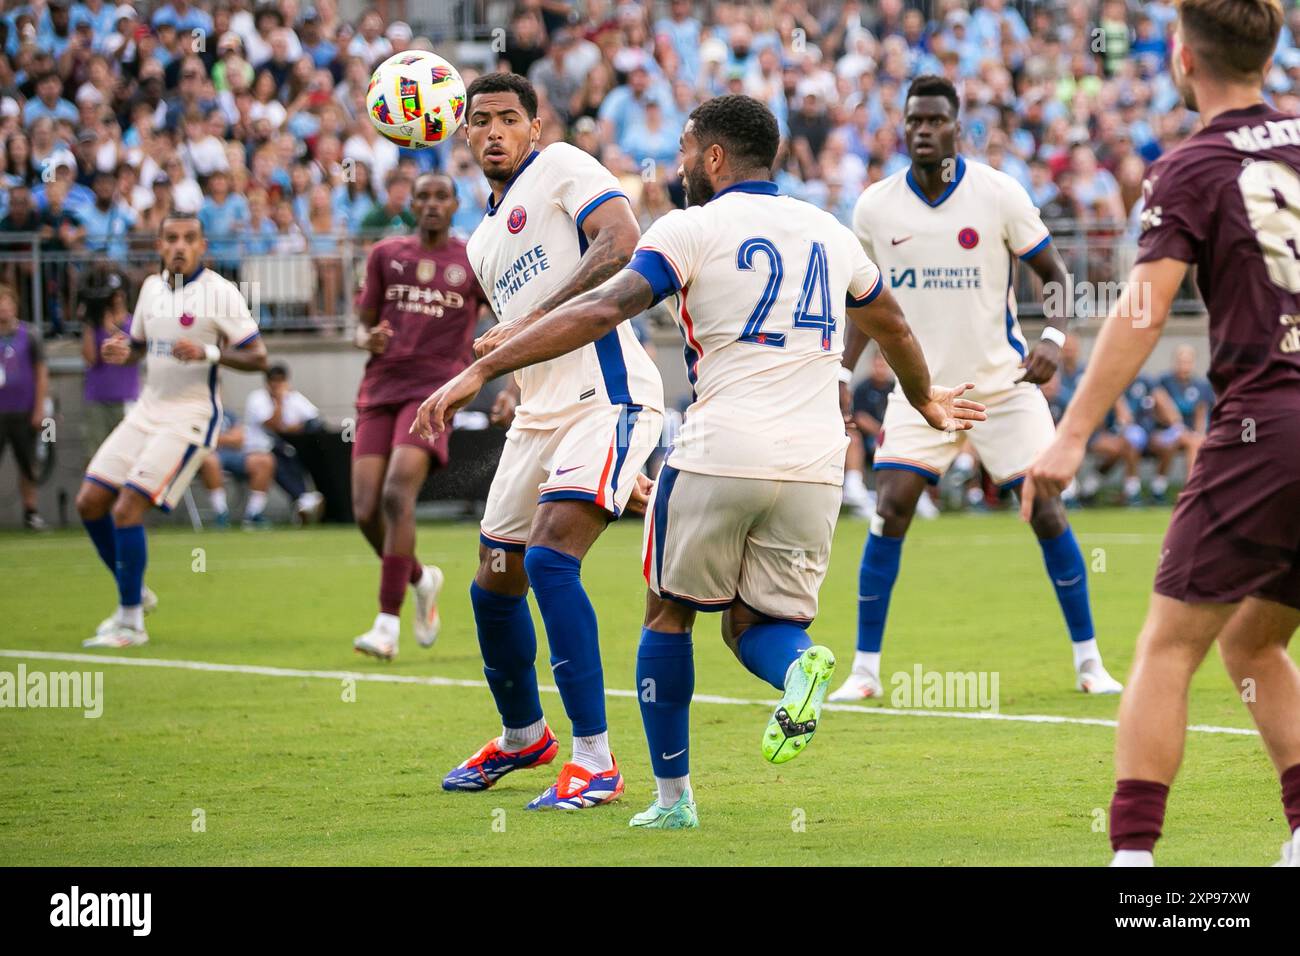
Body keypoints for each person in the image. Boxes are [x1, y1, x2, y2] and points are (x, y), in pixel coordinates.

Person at [414, 94, 983, 827]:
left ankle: (670, 799)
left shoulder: (691, 226)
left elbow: (600, 310)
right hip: (817, 461)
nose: (678, 165)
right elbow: (891, 323)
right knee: (754, 625)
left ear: (713, 158)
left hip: (721, 446)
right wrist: (926, 398)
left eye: (685, 150)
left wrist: (481, 369)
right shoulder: (827, 230)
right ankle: (797, 671)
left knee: (668, 617)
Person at [1023, 0, 1300, 868]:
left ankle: (1134, 864)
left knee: (1169, 644)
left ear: (1182, 58)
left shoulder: (1192, 165)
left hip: (1269, 426)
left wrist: (1070, 435)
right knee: (1253, 639)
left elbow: (1144, 308)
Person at [830, 74, 1123, 703]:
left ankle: (1089, 660)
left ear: (957, 127)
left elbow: (1055, 274)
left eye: (935, 120)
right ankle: (865, 670)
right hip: (922, 393)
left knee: (1046, 509)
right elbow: (864, 304)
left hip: (1004, 388)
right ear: (903, 128)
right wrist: (840, 373)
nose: (924, 130)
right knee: (891, 507)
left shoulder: (998, 194)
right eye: (913, 121)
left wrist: (1053, 338)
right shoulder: (875, 207)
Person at [432, 73, 665, 812]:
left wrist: (521, 329)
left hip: (609, 397)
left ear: (535, 127)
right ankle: (523, 735)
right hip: (539, 414)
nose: (494, 131)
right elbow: (527, 336)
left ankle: (595, 762)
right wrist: (511, 376)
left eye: (509, 118)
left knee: (549, 558)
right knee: (495, 577)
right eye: (481, 121)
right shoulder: (478, 244)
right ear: (465, 135)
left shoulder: (563, 165)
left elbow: (621, 245)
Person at [77, 214, 267, 648]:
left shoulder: (220, 293)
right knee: (90, 502)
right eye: (171, 239)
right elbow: (140, 348)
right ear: (159, 246)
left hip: (191, 415)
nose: (180, 246)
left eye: (189, 239)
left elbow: (258, 357)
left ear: (202, 246)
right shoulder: (149, 289)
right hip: (147, 410)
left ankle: (130, 622)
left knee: (126, 509)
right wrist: (121, 351)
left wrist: (209, 351)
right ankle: (135, 590)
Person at [349, 172, 486, 658]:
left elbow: (508, 318)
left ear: (454, 205)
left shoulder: (472, 260)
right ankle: (422, 578)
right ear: (412, 204)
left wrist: (498, 374)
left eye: (440, 196)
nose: (430, 204)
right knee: (364, 510)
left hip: (434, 388)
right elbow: (362, 329)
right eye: (422, 196)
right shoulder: (386, 254)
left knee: (395, 493)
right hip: (381, 385)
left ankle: (386, 626)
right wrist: (372, 340)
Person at [240, 362, 325, 529]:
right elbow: (274, 425)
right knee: (276, 457)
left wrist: (295, 427)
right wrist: (279, 402)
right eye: (274, 381)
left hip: (283, 450)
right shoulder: (257, 398)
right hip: (256, 451)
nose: (277, 385)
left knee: (293, 454)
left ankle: (302, 499)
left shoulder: (294, 397)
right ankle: (299, 498)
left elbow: (315, 421)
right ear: (267, 382)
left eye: (281, 380)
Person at [0, 283, 48, 529]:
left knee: (27, 464)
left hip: (23, 409)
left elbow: (41, 373)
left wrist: (40, 409)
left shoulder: (29, 334)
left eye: (6, 303)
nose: (3, 309)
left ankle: (31, 512)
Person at [78, 267, 138, 461]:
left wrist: (110, 327)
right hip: (97, 398)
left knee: (127, 458)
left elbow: (130, 350)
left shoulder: (133, 323)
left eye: (118, 294)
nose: (115, 299)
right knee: (96, 457)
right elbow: (90, 359)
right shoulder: (94, 325)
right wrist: (90, 321)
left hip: (126, 398)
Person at [1150, 343, 1213, 501]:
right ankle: (1170, 488)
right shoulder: (1163, 381)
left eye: (1188, 361)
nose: (1184, 365)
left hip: (1188, 436)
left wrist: (1200, 435)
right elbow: (1159, 408)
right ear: (1175, 361)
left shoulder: (1201, 386)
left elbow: (1201, 414)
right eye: (1181, 360)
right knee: (1183, 439)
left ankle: (1191, 489)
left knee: (1195, 442)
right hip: (1161, 432)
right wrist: (1176, 425)